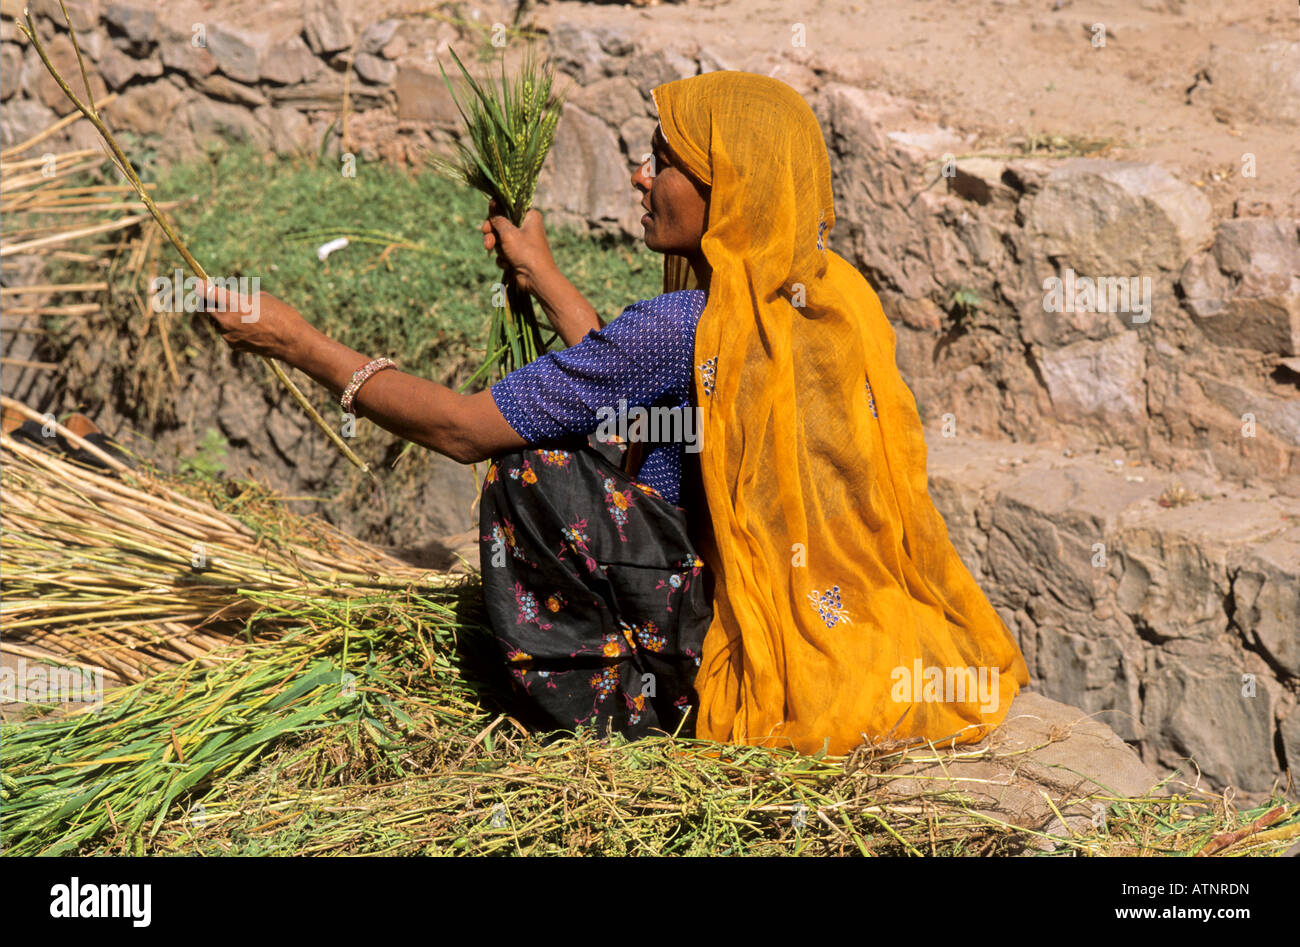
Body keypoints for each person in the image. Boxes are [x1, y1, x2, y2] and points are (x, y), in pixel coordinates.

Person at [203, 70, 1029, 756]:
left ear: (727, 188)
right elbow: (639, 377)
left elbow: (460, 429)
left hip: (718, 635)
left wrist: (296, 342)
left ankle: (633, 701)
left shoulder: (684, 327)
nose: (639, 175)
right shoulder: (822, 295)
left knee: (532, 468)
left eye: (662, 161)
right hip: (824, 610)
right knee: (595, 436)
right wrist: (545, 274)